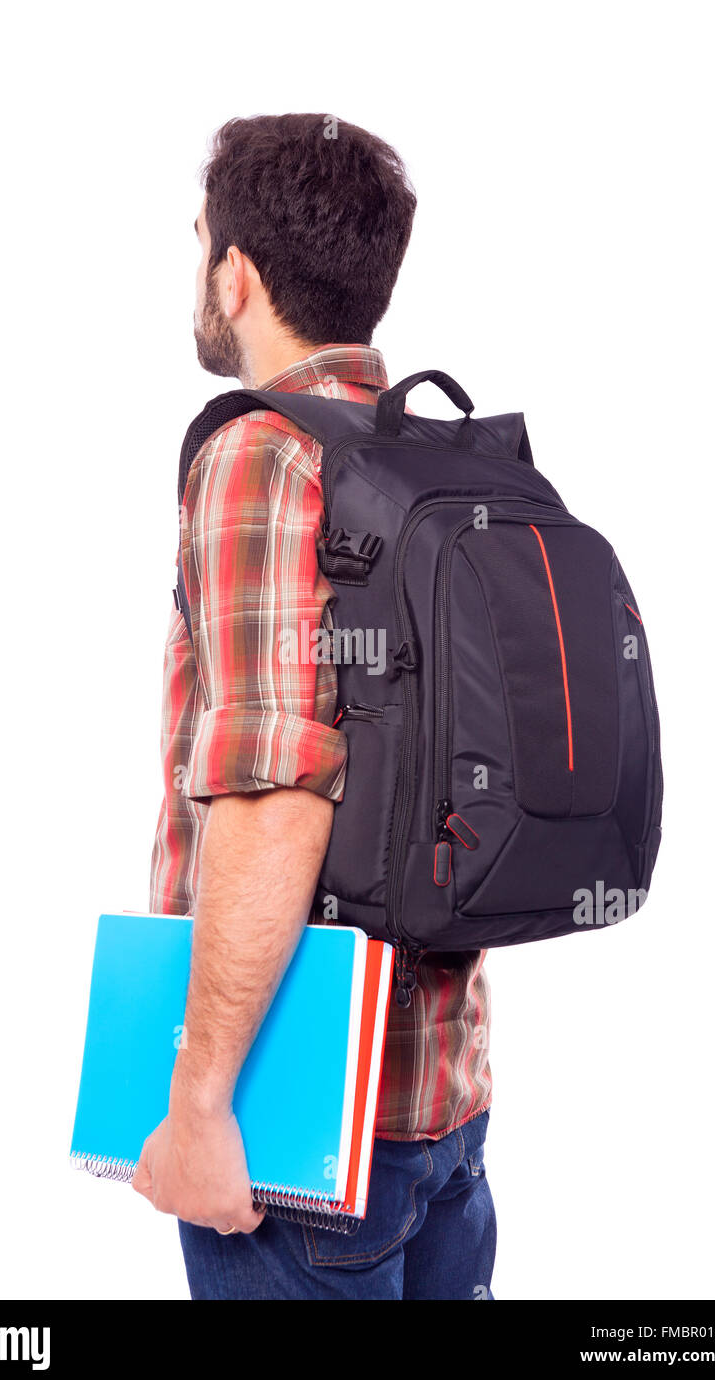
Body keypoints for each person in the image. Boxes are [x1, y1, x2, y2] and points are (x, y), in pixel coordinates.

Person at [131, 113, 496, 1300]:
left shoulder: (263, 456)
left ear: (233, 273)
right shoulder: (438, 459)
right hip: (440, 1105)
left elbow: (275, 787)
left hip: (301, 1137)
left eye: (199, 244)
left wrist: (197, 1105)